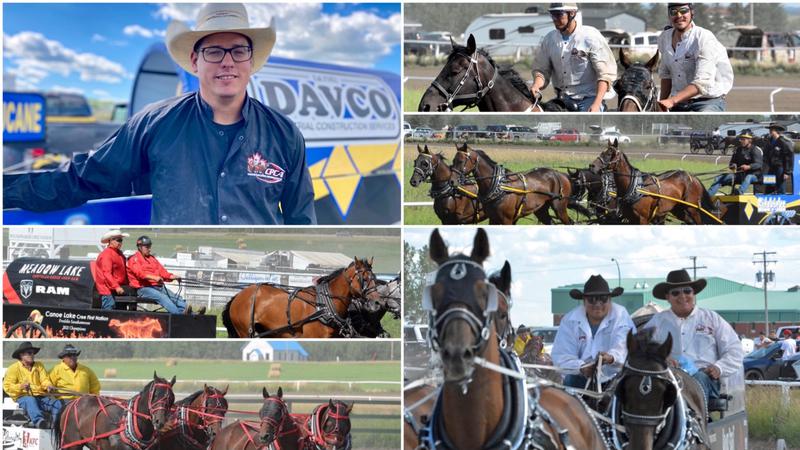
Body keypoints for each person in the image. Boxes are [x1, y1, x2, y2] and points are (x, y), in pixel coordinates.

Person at [3, 3, 316, 225]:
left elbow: (301, 218)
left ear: (251, 60)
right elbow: (82, 180)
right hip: (176, 278)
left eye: (238, 50)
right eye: (214, 51)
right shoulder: (154, 125)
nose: (227, 62)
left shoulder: (285, 135)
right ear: (195, 62)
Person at [643, 269, 743, 407]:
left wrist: (719, 368)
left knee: (698, 379)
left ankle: (694, 422)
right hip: (668, 377)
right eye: (675, 292)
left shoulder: (711, 318)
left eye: (687, 291)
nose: (682, 296)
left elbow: (734, 349)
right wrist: (662, 360)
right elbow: (641, 350)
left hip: (705, 378)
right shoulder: (657, 322)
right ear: (668, 297)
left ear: (693, 293)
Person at [529, 3, 617, 112]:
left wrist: (596, 104)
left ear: (572, 13)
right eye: (552, 15)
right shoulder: (549, 39)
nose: (555, 19)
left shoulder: (591, 37)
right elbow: (542, 70)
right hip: (563, 99)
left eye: (559, 15)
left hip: (590, 98)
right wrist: (536, 85)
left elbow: (605, 75)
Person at [552, 274, 635, 388]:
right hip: (579, 379)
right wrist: (581, 367)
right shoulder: (570, 320)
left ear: (610, 300)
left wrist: (611, 357)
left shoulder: (620, 315)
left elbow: (624, 345)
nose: (597, 304)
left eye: (603, 299)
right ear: (584, 301)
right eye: (592, 300)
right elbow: (561, 356)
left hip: (615, 378)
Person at [656, 3, 733, 112]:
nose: (679, 15)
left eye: (683, 11)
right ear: (669, 16)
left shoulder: (704, 38)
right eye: (673, 12)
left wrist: (671, 101)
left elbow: (702, 82)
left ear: (692, 13)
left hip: (706, 102)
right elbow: (666, 75)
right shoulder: (664, 38)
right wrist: (661, 104)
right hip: (678, 101)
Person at [127, 235, 204, 315]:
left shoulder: (152, 259)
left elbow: (162, 272)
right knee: (162, 297)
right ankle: (179, 315)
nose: (149, 249)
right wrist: (154, 277)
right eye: (147, 247)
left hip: (157, 287)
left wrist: (172, 276)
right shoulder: (133, 259)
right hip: (143, 288)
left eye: (150, 246)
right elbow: (140, 274)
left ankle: (193, 314)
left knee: (175, 297)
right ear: (140, 247)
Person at [3, 342, 61, 428]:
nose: (32, 355)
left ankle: (55, 425)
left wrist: (48, 386)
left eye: (33, 353)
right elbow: (7, 386)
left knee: (57, 403)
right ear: (21, 355)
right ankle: (40, 422)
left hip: (40, 396)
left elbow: (44, 380)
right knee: (30, 400)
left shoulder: (39, 366)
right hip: (23, 397)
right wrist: (21, 386)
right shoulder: (13, 368)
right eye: (29, 353)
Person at [708, 130, 763, 195]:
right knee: (719, 178)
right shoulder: (738, 150)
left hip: (755, 175)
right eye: (741, 139)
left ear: (750, 140)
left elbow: (759, 164)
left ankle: (739, 192)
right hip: (740, 175)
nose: (741, 140)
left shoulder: (755, 150)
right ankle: (707, 196)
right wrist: (733, 165)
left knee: (748, 177)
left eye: (743, 139)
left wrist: (748, 167)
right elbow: (732, 163)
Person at [93, 230, 130, 310]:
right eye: (118, 240)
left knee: (120, 311)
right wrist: (116, 286)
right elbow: (107, 274)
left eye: (121, 240)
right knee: (109, 310)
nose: (120, 243)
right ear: (110, 241)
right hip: (108, 290)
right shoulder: (107, 254)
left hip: (118, 288)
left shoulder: (119, 253)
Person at [764, 123, 795, 194]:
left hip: (780, 168)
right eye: (770, 129)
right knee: (768, 185)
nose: (770, 131)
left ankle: (783, 201)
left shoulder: (784, 142)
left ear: (776, 131)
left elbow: (789, 158)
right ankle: (768, 199)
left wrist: (787, 172)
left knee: (780, 186)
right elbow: (766, 154)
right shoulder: (769, 141)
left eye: (772, 130)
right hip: (771, 168)